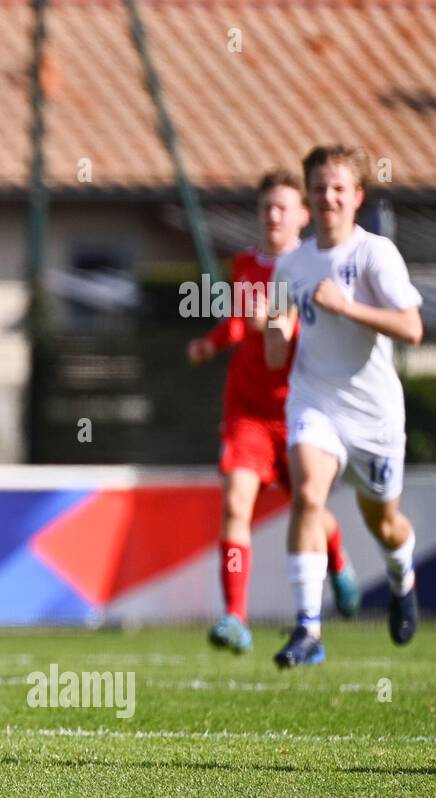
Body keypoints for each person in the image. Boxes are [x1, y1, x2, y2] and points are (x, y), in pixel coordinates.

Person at [186, 170, 359, 653]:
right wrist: (212, 343)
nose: (274, 216)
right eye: (267, 208)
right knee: (236, 505)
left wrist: (279, 325)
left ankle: (338, 560)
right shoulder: (245, 265)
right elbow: (240, 323)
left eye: (284, 207)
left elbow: (313, 334)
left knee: (309, 507)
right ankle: (235, 617)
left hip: (302, 409)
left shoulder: (316, 268)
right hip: (247, 411)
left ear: (304, 215)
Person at [265, 144, 423, 667]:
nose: (328, 197)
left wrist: (348, 306)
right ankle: (308, 628)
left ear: (357, 196)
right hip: (316, 400)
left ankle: (402, 579)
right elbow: (274, 353)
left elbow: (412, 328)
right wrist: (272, 326)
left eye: (338, 188)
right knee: (309, 494)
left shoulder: (375, 254)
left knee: (384, 523)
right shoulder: (292, 265)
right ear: (308, 200)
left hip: (374, 415)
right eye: (319, 188)